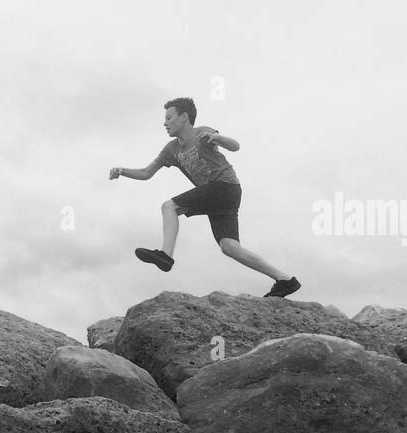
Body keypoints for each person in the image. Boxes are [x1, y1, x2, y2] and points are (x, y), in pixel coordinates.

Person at [110, 97, 301, 298]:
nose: (164, 123)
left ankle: (165, 255)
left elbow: (235, 146)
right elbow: (146, 173)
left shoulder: (201, 132)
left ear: (184, 117)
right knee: (229, 247)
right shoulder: (171, 149)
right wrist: (121, 170)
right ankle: (285, 280)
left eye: (169, 117)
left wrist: (219, 139)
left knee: (169, 207)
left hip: (224, 186)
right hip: (218, 196)